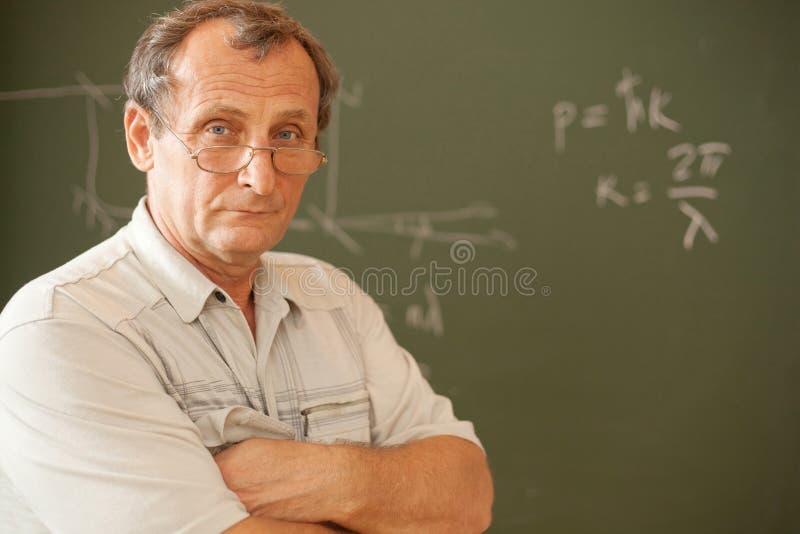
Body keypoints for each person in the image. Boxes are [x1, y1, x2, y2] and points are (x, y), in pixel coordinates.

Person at [0, 1, 493, 533]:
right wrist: (387, 503)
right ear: (142, 138)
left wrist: (309, 476)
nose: (260, 177)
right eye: (219, 129)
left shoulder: (334, 298)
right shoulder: (61, 327)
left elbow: (467, 500)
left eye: (286, 135)